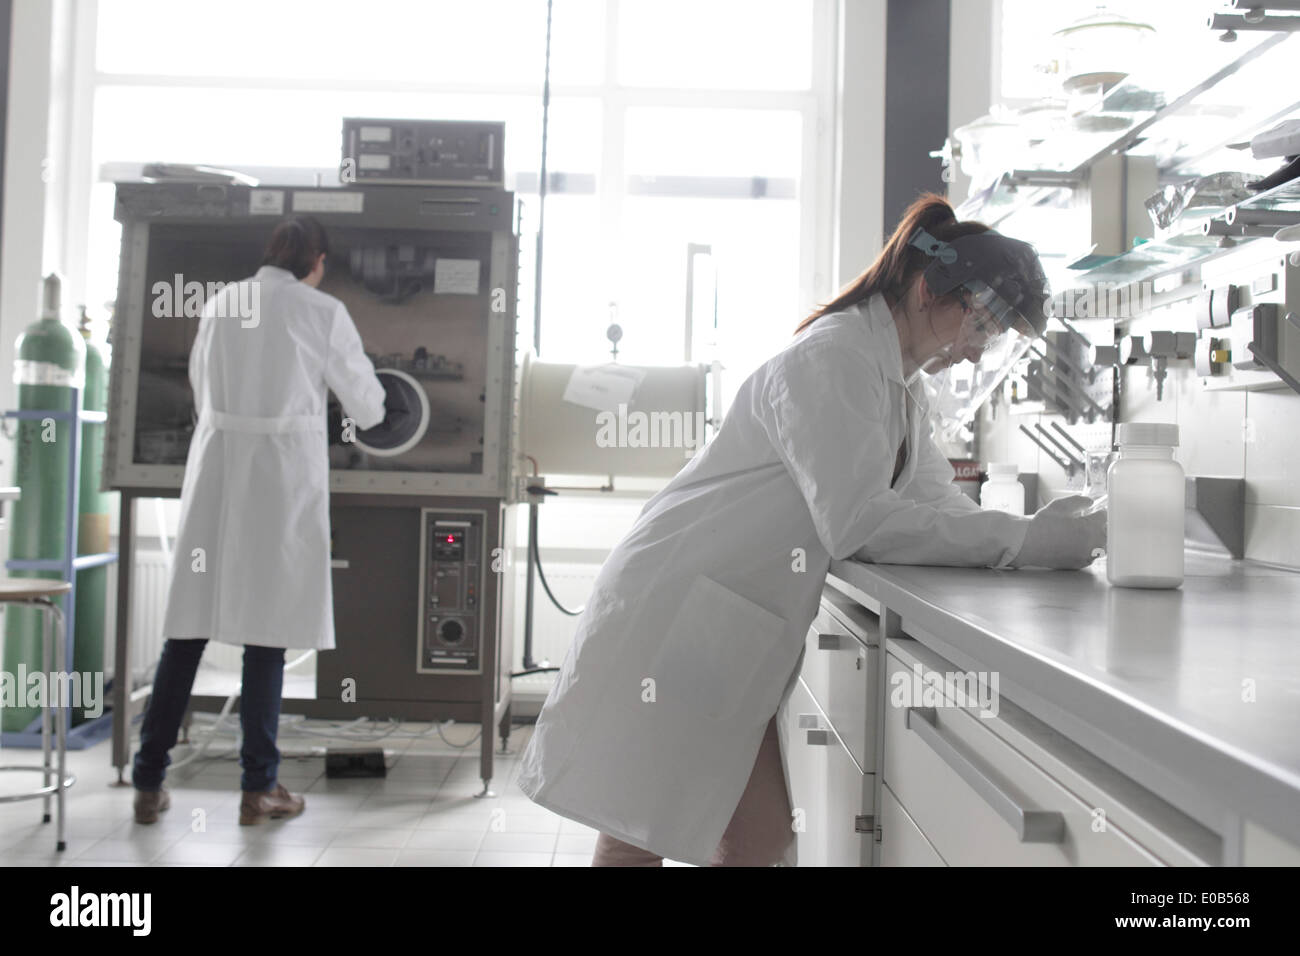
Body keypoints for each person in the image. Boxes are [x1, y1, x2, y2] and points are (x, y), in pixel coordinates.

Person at [516, 193, 1107, 866]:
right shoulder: (835, 360)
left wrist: (1033, 535)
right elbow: (858, 523)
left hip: (723, 624)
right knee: (637, 831)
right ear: (928, 290)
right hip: (678, 611)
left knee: (757, 838)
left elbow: (936, 502)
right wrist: (1026, 543)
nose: (975, 356)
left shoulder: (894, 383)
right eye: (978, 329)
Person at [133, 216, 387, 826]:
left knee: (187, 631)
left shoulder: (223, 303)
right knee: (266, 635)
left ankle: (147, 782)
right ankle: (259, 788)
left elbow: (200, 386)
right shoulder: (320, 311)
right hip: (278, 478)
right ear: (317, 261)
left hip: (217, 469)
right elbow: (369, 407)